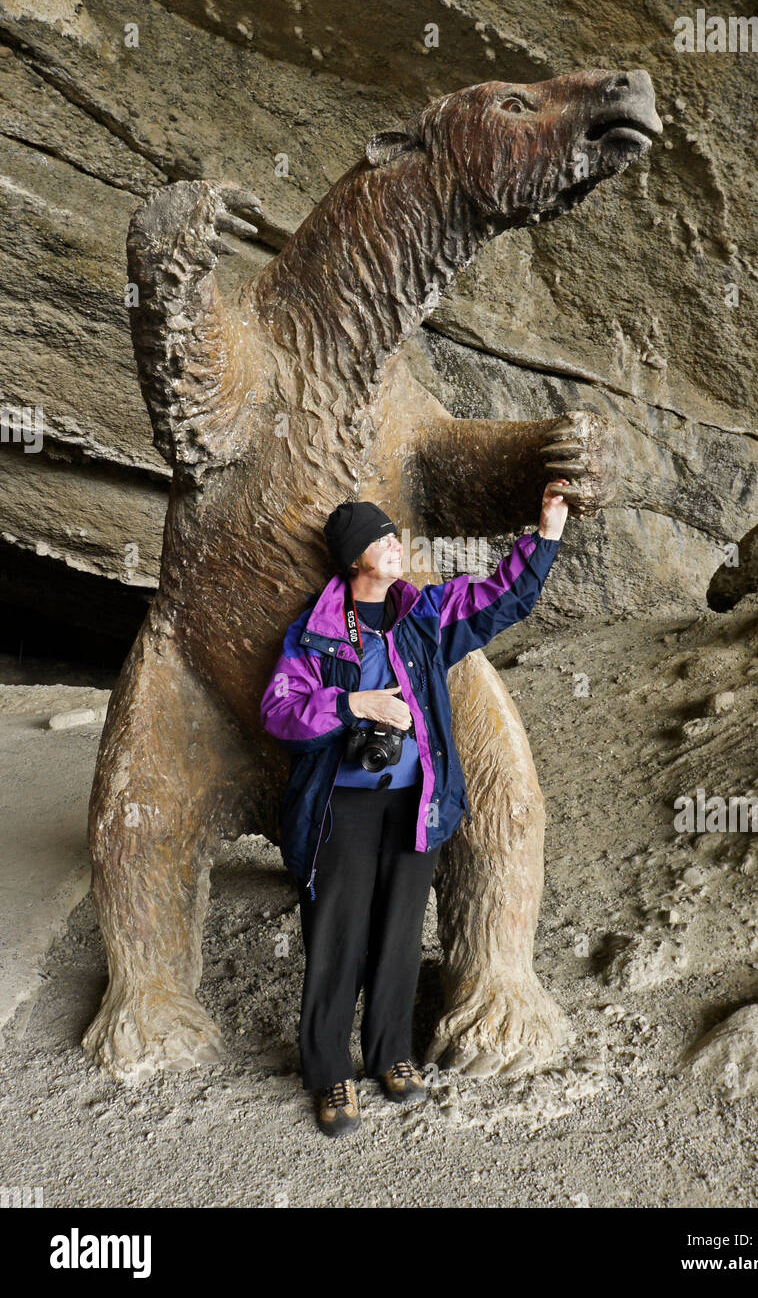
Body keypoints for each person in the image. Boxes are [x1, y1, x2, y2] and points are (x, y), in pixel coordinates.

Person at [260, 480, 571, 1136]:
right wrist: (355, 705)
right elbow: (280, 711)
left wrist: (545, 533)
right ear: (352, 559)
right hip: (341, 807)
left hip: (416, 802)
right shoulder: (314, 635)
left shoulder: (424, 617)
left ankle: (390, 1055)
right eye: (379, 540)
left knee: (401, 932)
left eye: (393, 535)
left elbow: (501, 597)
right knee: (337, 935)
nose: (394, 547)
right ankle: (328, 1072)